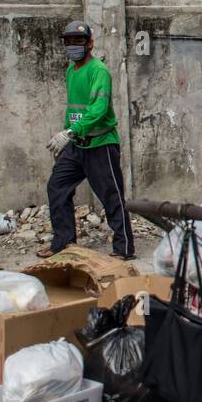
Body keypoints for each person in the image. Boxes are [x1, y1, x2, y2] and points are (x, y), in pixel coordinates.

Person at [44, 21, 135, 259]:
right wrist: (66, 133)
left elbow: (99, 109)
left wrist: (70, 133)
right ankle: (63, 243)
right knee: (57, 186)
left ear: (90, 43)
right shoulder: (70, 71)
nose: (73, 46)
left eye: (78, 41)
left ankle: (124, 249)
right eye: (68, 42)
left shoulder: (99, 71)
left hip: (100, 145)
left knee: (111, 196)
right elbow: (73, 108)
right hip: (76, 145)